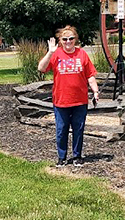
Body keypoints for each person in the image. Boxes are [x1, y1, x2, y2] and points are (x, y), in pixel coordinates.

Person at [38, 25, 99, 166]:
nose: (68, 41)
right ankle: (62, 157)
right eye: (65, 39)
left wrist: (95, 91)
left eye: (71, 38)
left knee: (78, 129)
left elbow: (90, 76)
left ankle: (77, 156)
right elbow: (41, 68)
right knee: (61, 130)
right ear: (60, 40)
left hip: (80, 100)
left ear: (75, 39)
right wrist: (50, 52)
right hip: (61, 101)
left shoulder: (82, 54)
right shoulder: (56, 54)